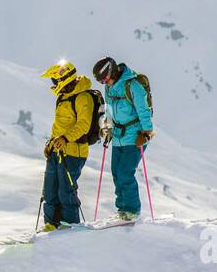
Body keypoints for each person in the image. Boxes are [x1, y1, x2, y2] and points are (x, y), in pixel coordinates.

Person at [92, 57, 153, 220]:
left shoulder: (132, 85)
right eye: (102, 81)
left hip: (135, 136)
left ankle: (132, 211)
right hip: (118, 136)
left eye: (105, 78)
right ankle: (122, 210)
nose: (105, 82)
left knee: (126, 172)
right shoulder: (109, 87)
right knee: (116, 173)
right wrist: (107, 128)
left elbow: (144, 110)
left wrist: (146, 133)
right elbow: (109, 110)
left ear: (112, 71)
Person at [38, 60, 96, 230]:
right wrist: (51, 143)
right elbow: (59, 125)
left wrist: (65, 138)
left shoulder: (83, 96)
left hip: (74, 151)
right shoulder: (62, 97)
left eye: (54, 80)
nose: (53, 84)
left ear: (63, 78)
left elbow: (83, 125)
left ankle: (70, 226)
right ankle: (51, 224)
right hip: (57, 150)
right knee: (49, 191)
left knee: (66, 191)